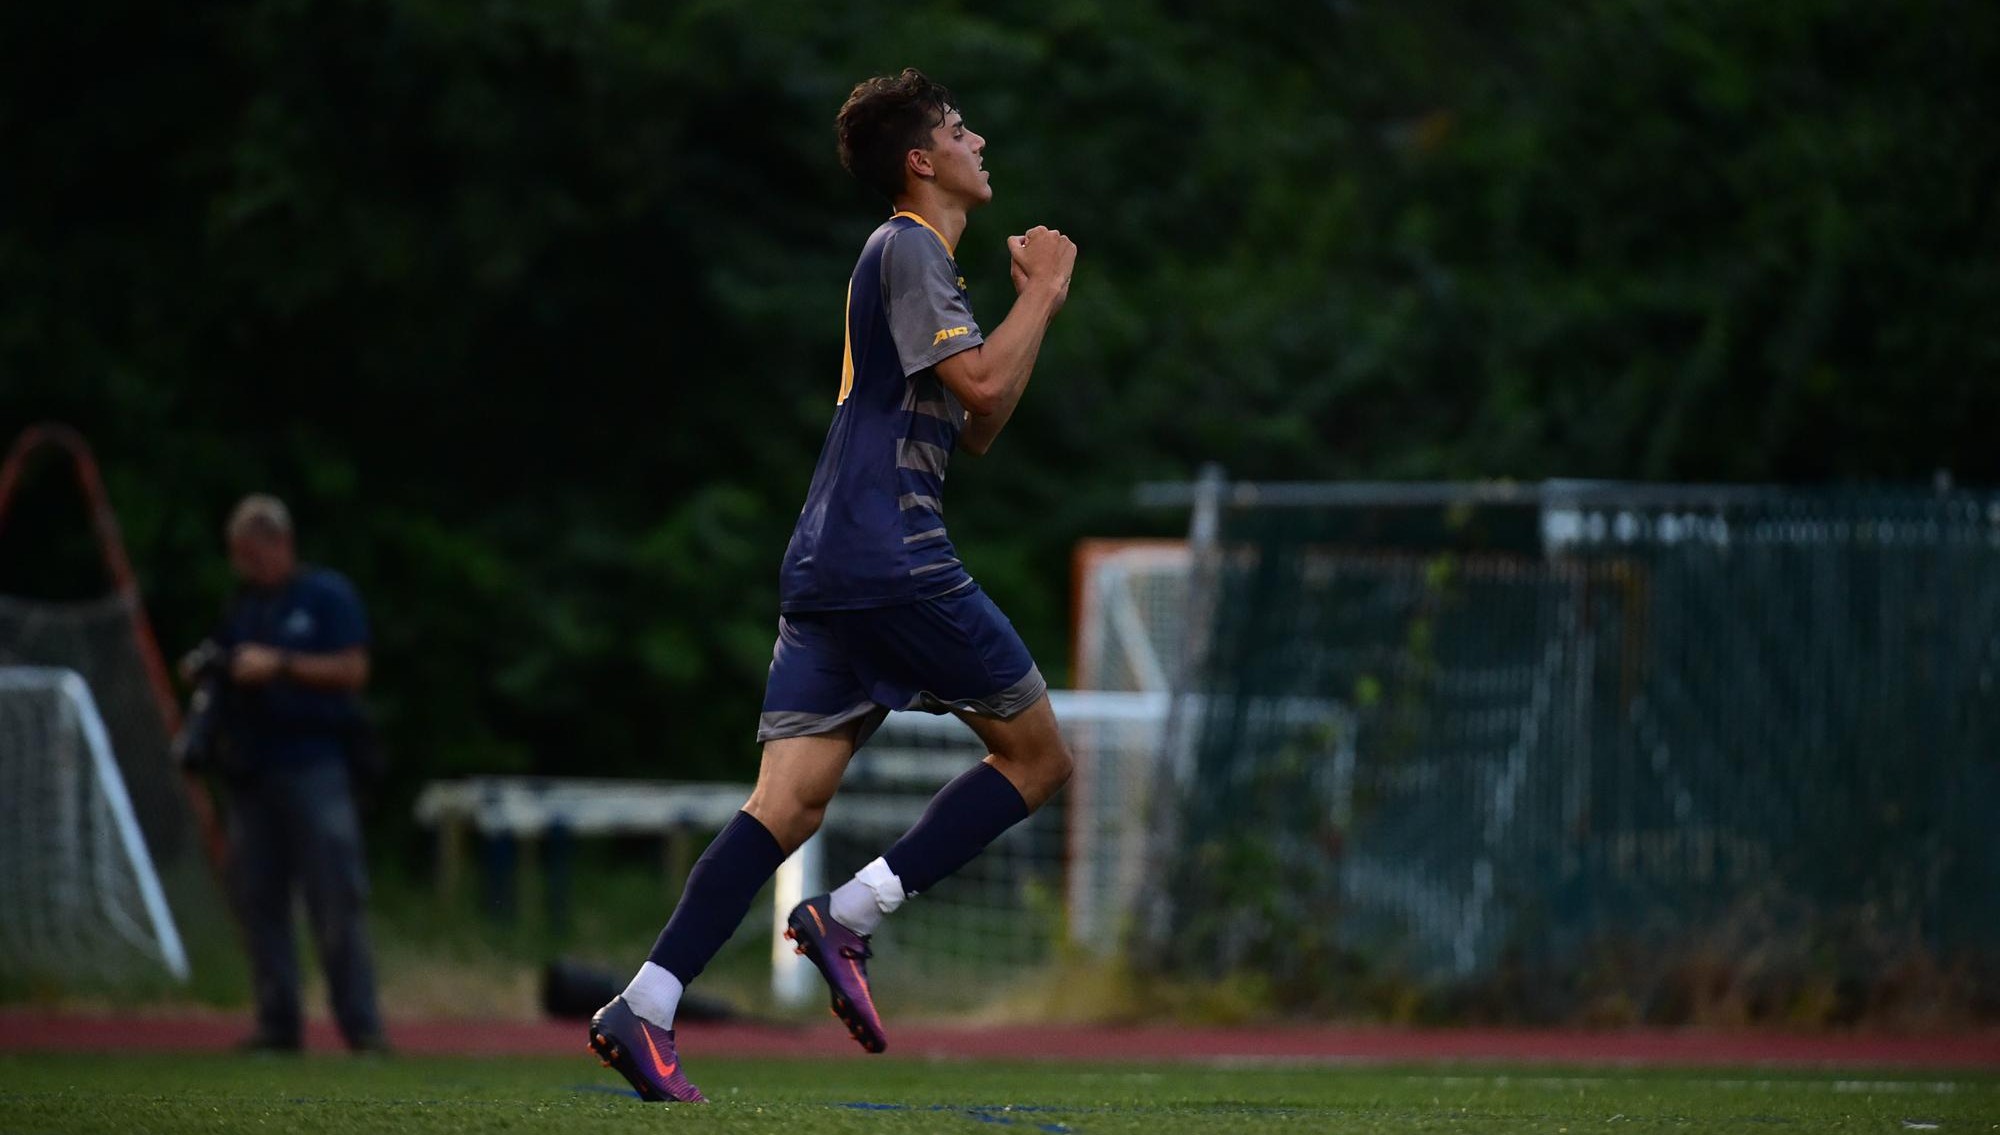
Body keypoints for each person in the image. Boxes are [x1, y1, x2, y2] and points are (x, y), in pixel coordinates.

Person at [587, 69, 1078, 1103]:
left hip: (829, 565)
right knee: (1036, 757)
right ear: (919, 161)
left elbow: (978, 421)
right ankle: (850, 914)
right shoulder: (906, 247)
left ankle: (646, 1001)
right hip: (889, 554)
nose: (977, 138)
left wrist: (1030, 307)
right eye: (958, 128)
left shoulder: (918, 263)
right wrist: (1041, 291)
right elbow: (986, 385)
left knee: (786, 804)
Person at [183, 493, 387, 1054]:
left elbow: (353, 668)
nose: (244, 567)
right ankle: (278, 1024)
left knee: (335, 897)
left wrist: (282, 665)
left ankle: (362, 1027)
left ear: (279, 543)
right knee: (258, 900)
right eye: (238, 558)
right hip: (253, 772)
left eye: (252, 555)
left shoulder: (324, 596)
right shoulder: (244, 607)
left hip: (314, 765)